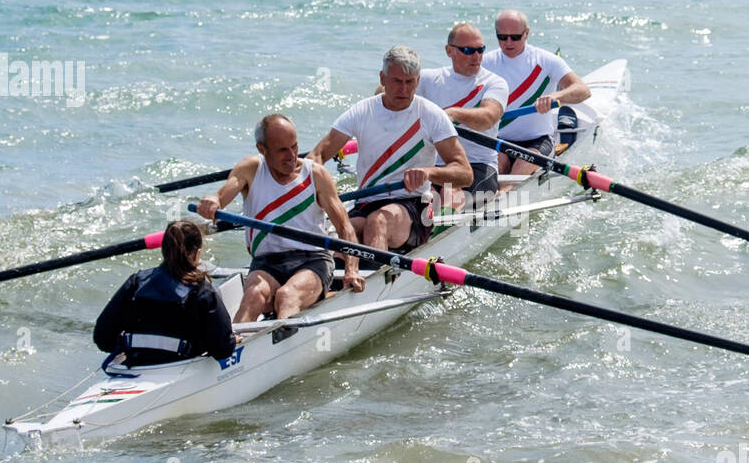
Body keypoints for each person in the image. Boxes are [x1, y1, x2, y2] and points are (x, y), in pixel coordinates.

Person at [196, 113, 364, 323]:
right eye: (283, 150)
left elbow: (344, 228)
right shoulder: (251, 169)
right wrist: (213, 199)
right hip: (266, 263)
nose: (292, 155)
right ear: (262, 149)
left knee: (286, 297)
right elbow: (223, 194)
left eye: (294, 146)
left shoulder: (316, 175)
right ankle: (234, 347)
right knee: (253, 296)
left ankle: (284, 343)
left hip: (312, 260)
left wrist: (351, 270)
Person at [306, 46, 473, 252]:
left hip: (415, 205)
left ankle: (375, 277)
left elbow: (465, 173)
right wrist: (312, 187)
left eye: (409, 82)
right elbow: (318, 155)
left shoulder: (431, 115)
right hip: (366, 201)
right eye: (397, 81)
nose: (403, 89)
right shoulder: (362, 111)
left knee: (378, 222)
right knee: (344, 233)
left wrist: (430, 173)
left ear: (418, 81)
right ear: (382, 78)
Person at [94, 220, 237, 366]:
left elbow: (102, 339)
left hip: (135, 365)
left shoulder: (136, 283)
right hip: (180, 367)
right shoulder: (202, 292)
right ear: (196, 254)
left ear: (164, 250)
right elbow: (223, 350)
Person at [481, 9, 591, 176]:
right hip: (498, 139)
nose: (508, 42)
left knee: (518, 170)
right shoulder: (486, 62)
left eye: (515, 37)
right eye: (502, 37)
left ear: (527, 33)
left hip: (538, 141)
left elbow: (583, 90)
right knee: (497, 169)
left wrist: (555, 96)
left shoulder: (546, 60)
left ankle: (507, 194)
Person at [414, 22, 508, 212]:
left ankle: (441, 228)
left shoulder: (494, 83)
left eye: (480, 50)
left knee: (450, 196)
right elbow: (387, 92)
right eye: (468, 50)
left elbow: (488, 117)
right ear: (449, 51)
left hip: (478, 165)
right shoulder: (428, 79)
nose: (477, 56)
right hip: (434, 163)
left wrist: (452, 114)